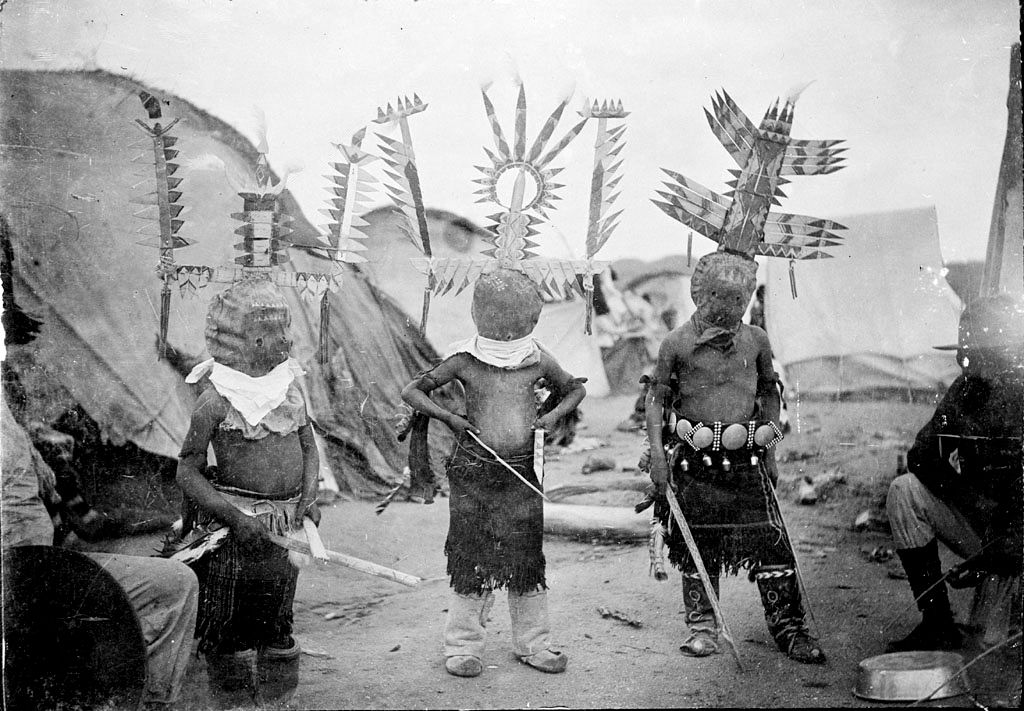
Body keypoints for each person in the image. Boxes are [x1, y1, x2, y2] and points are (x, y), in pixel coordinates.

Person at [401, 269, 586, 678]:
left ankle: (533, 644)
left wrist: (548, 418)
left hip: (522, 471)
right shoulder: (466, 359)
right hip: (473, 473)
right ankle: (463, 646)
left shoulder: (535, 357)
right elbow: (411, 391)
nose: (509, 328)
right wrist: (449, 417)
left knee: (525, 559)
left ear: (531, 320)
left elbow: (574, 388)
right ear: (477, 315)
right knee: (471, 558)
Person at [645, 250, 825, 664]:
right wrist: (657, 455)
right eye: (723, 299)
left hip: (748, 462)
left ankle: (789, 627)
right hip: (694, 464)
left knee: (771, 543)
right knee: (697, 546)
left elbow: (768, 393)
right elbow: (656, 399)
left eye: (740, 300)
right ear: (702, 295)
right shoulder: (676, 343)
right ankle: (703, 627)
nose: (732, 308)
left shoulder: (756, 339)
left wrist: (772, 450)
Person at [174, 276, 321, 708]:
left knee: (276, 612)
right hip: (233, 527)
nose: (284, 342)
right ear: (245, 341)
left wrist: (309, 496)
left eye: (284, 331)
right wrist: (237, 520)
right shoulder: (216, 400)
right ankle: (233, 699)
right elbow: (187, 471)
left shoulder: (290, 388)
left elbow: (309, 448)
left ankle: (277, 697)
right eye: (270, 335)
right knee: (230, 620)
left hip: (283, 523)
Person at [2, 397, 199, 710]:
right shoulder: (51, 449)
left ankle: (147, 700)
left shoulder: (30, 441)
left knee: (177, 578)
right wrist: (165, 520)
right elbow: (90, 524)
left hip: (50, 563)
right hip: (31, 573)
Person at [885, 293, 1023, 652]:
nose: (963, 361)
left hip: (1014, 542)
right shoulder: (965, 393)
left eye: (972, 352)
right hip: (990, 531)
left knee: (994, 650)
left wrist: (988, 559)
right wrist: (974, 501)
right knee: (905, 491)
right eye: (962, 351)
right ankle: (937, 624)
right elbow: (922, 455)